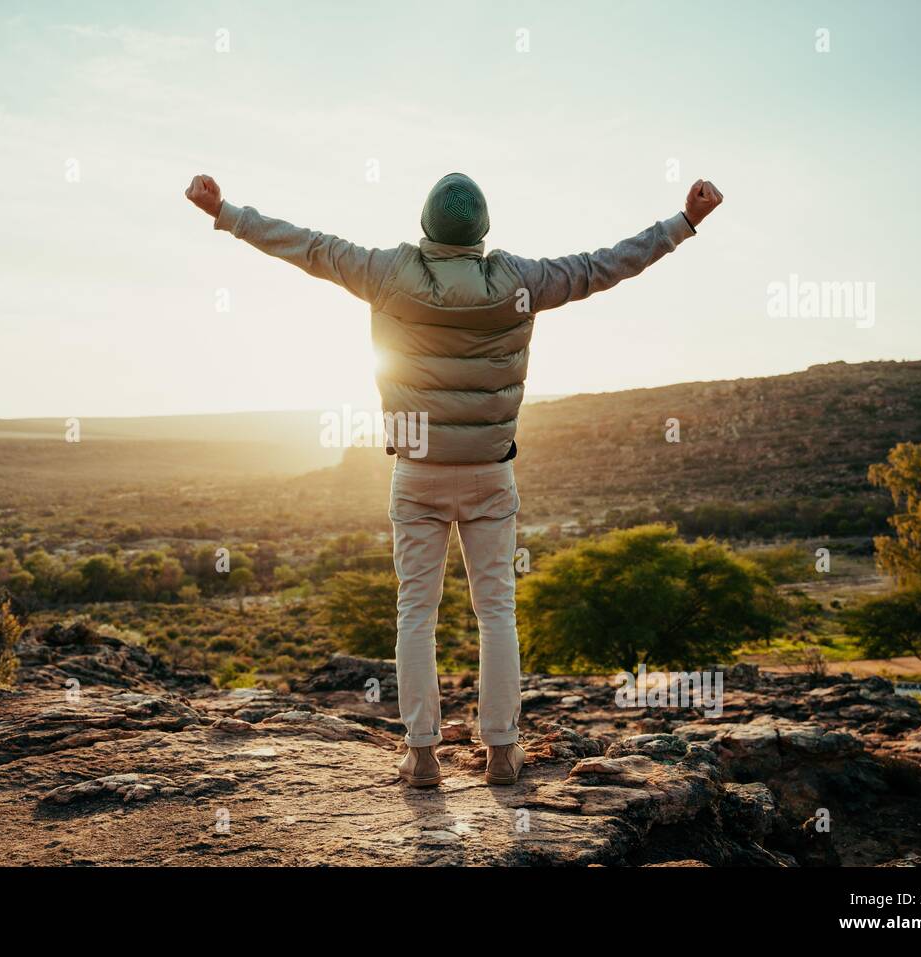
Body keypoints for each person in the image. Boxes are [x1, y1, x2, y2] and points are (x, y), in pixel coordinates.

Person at [186, 171, 723, 787]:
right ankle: (501, 752)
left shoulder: (386, 271)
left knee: (416, 611)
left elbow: (304, 245)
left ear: (425, 227)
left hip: (416, 471)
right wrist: (683, 224)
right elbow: (607, 265)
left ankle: (421, 755)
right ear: (483, 232)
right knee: (496, 612)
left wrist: (224, 211)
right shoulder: (523, 281)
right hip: (492, 474)